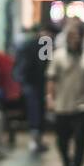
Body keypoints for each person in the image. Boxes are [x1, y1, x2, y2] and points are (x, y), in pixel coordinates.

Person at [47, 20, 84, 166]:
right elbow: (51, 79)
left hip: (82, 106)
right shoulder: (58, 56)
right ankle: (67, 164)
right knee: (61, 141)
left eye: (78, 36)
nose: (75, 39)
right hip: (62, 106)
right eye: (71, 36)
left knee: (81, 140)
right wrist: (50, 98)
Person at [15, 23, 54, 153]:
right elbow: (44, 66)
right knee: (36, 112)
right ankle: (35, 141)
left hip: (32, 82)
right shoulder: (42, 44)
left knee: (36, 111)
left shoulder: (31, 43)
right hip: (35, 83)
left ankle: (36, 141)